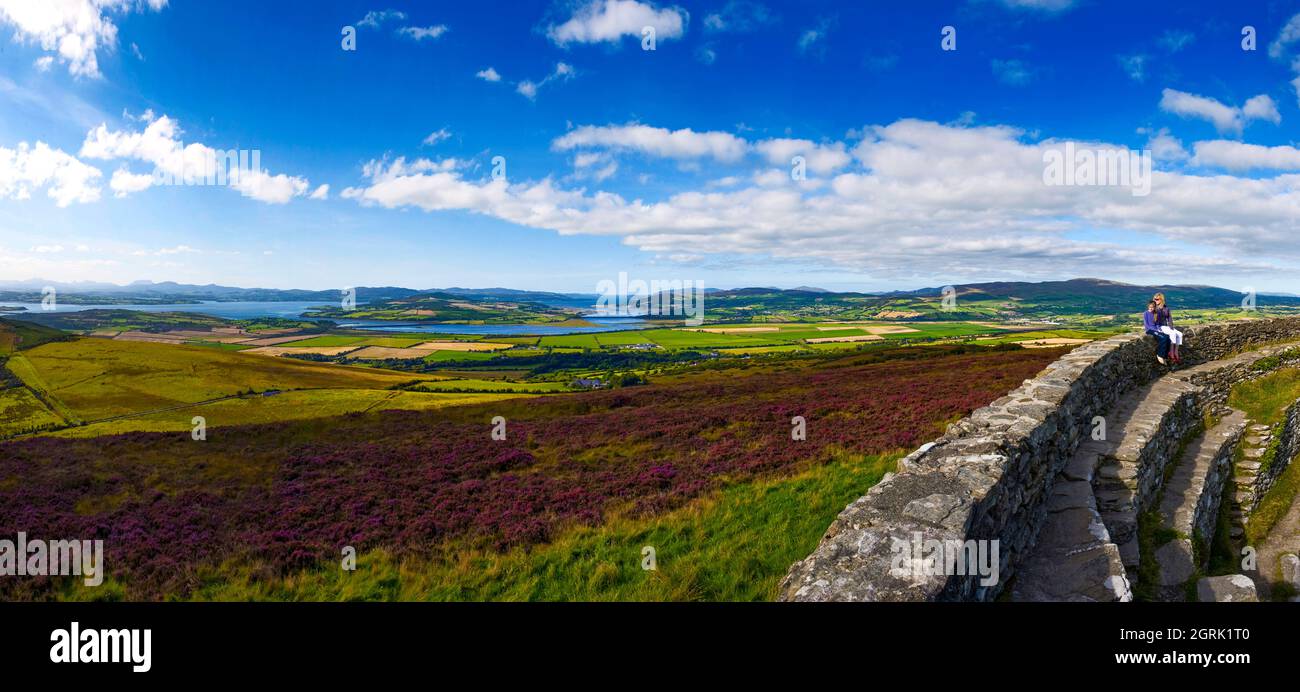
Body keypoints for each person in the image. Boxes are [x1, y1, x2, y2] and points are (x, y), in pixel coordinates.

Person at [1153, 293, 1183, 363]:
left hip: (1166, 326)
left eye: (1157, 299)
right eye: (1154, 299)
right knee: (1173, 333)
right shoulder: (1155, 308)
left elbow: (1170, 318)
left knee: (1180, 334)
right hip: (1160, 326)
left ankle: (1176, 352)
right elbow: (1154, 319)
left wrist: (1171, 327)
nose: (1155, 300)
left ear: (1161, 299)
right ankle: (1171, 352)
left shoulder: (1166, 308)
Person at [1144, 300, 1171, 365]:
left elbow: (1157, 324)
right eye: (1150, 307)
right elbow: (1146, 325)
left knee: (1167, 337)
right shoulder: (1146, 313)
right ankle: (1160, 355)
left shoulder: (1156, 314)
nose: (1151, 309)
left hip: (1156, 330)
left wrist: (1159, 329)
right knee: (1163, 338)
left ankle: (1165, 356)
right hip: (1150, 330)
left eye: (1152, 307)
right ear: (1148, 307)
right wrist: (1155, 330)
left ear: (1155, 307)